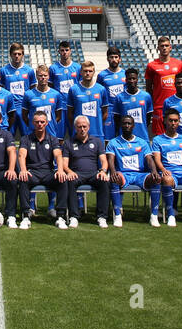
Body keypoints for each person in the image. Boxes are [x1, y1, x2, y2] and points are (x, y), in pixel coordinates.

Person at [21, 65, 64, 216]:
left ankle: (51, 206)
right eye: (40, 76)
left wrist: (50, 127)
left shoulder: (56, 95)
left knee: (51, 170)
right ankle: (31, 206)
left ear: (49, 77)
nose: (43, 78)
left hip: (50, 137)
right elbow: (25, 115)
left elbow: (58, 115)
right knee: (31, 169)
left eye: (45, 75)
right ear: (36, 77)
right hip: (33, 137)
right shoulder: (29, 94)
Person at [16, 111, 66, 230]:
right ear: (33, 123)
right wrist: (23, 170)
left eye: (42, 122)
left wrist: (60, 170)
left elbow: (58, 156)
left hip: (48, 173)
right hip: (32, 172)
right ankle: (25, 216)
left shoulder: (53, 139)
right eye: (37, 122)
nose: (40, 124)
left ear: (47, 123)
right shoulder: (26, 139)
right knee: (23, 179)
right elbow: (21, 155)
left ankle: (60, 216)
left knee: (63, 180)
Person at [59, 115, 111, 228]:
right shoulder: (68, 143)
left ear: (89, 127)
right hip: (77, 174)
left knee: (104, 182)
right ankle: (74, 216)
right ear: (75, 128)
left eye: (84, 126)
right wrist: (69, 172)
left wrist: (103, 171)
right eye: (79, 127)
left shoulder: (97, 141)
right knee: (69, 181)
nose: (82, 129)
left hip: (93, 173)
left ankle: (102, 217)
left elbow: (104, 160)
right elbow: (64, 163)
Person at [107, 114, 158, 228]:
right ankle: (118, 215)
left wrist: (154, 171)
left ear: (133, 126)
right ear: (121, 125)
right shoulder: (113, 142)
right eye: (124, 123)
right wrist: (113, 171)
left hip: (140, 175)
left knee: (155, 179)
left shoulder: (142, 142)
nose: (126, 126)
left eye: (129, 123)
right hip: (124, 174)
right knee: (115, 179)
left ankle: (154, 215)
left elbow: (149, 159)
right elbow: (110, 160)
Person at [144, 35, 182, 137]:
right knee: (160, 136)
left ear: (170, 47)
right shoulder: (151, 66)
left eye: (166, 45)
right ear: (158, 48)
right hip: (159, 106)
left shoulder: (179, 64)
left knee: (179, 135)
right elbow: (149, 88)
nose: (164, 48)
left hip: (177, 105)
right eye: (162, 46)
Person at [67, 59, 109, 141]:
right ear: (81, 72)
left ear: (94, 72)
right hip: (79, 133)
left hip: (97, 133)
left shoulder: (101, 89)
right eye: (85, 71)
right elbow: (70, 114)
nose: (87, 73)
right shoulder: (74, 89)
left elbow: (105, 113)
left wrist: (97, 124)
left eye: (90, 71)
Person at [0, 42, 36, 134]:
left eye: (19, 54)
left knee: (27, 136)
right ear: (10, 55)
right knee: (8, 135)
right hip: (10, 108)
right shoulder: (4, 70)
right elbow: (0, 90)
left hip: (24, 107)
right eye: (14, 54)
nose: (17, 56)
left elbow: (33, 90)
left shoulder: (29, 70)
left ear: (23, 55)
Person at [112, 67, 152, 142]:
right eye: (129, 79)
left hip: (142, 136)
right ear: (126, 80)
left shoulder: (146, 96)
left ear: (137, 79)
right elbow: (117, 119)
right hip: (124, 138)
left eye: (134, 78)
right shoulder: (119, 97)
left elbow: (148, 118)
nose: (131, 81)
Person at [95, 47, 127, 139]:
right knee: (108, 138)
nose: (114, 60)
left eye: (116, 57)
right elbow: (99, 94)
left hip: (122, 109)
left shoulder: (125, 74)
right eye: (111, 57)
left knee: (123, 137)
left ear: (120, 59)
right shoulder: (102, 75)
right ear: (107, 59)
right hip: (109, 111)